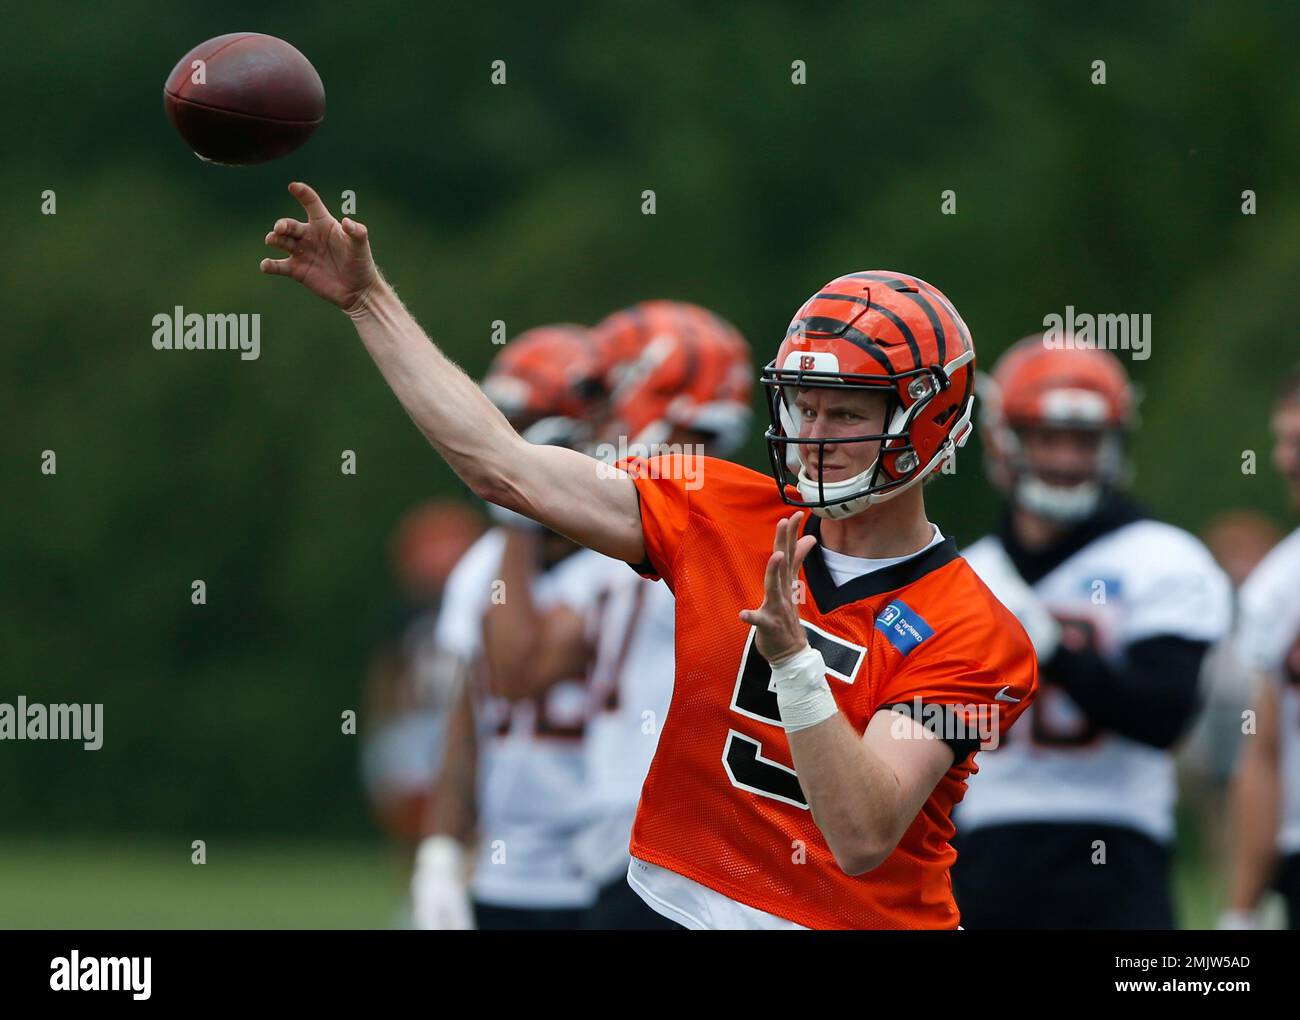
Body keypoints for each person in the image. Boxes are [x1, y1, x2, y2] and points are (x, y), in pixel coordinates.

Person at [260, 182, 1036, 929]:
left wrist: (796, 669)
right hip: (675, 904)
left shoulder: (977, 632)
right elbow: (505, 467)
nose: (816, 433)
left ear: (929, 421)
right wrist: (371, 304)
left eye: (847, 412)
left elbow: (863, 836)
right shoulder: (726, 511)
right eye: (806, 405)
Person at [487, 301, 754, 929]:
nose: (592, 420)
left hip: (687, 851)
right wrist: (517, 508)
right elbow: (520, 669)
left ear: (659, 392)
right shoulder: (632, 529)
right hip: (615, 852)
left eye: (605, 396)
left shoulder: (727, 530)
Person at [953, 336, 1232, 928]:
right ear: (1006, 441)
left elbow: (1162, 715)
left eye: (1083, 441)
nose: (1065, 459)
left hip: (1115, 847)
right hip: (980, 847)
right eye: (1047, 438)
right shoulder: (967, 572)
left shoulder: (1160, 557)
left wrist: (1052, 649)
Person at [410, 324, 608, 930]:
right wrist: (439, 852)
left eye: (518, 427)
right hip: (508, 872)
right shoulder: (483, 567)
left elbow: (522, 667)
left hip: (604, 869)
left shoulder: (623, 566)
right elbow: (469, 718)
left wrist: (518, 516)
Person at [1222, 370, 1300, 929]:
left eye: (1298, 441)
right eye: (1282, 440)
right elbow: (1264, 752)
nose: (1282, 458)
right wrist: (1242, 910)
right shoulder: (1280, 582)